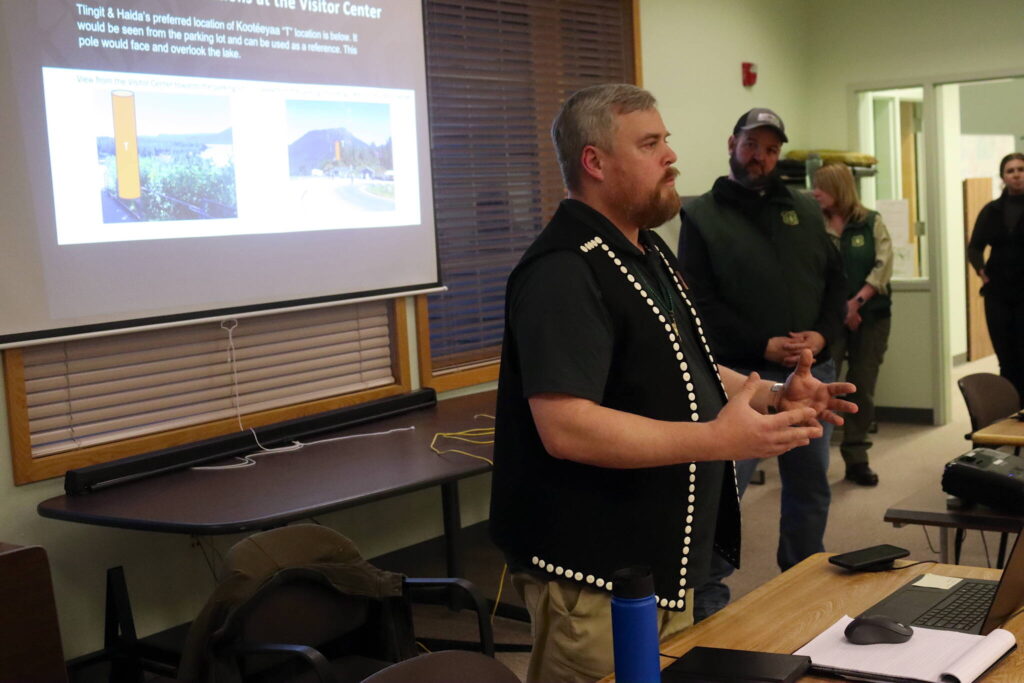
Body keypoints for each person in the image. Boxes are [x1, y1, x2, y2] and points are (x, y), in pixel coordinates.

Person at [490, 85, 856, 683]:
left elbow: (691, 362)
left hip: (663, 556)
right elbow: (565, 427)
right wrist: (715, 440)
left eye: (666, 140)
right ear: (595, 162)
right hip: (598, 572)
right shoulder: (563, 269)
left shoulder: (646, 249)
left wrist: (770, 394)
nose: (670, 156)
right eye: (650, 143)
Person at [677, 108, 846, 621]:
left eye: (771, 149)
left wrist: (822, 333)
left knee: (809, 483)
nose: (761, 158)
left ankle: (803, 576)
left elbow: (833, 283)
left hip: (809, 374)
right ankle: (707, 596)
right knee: (723, 492)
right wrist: (764, 344)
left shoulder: (804, 209)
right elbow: (697, 304)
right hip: (739, 379)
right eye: (753, 145)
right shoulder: (701, 214)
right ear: (733, 143)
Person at [812, 163, 893, 487]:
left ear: (839, 188)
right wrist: (840, 310)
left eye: (821, 187)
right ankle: (813, 462)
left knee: (861, 387)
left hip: (871, 317)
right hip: (829, 322)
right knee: (822, 386)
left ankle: (857, 459)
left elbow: (883, 266)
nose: (815, 192)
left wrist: (855, 303)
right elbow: (813, 273)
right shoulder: (814, 226)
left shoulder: (870, 222)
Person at [967, 152, 1024, 398]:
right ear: (1003, 177)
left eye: (1021, 169)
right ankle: (1011, 409)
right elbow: (975, 247)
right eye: (1010, 170)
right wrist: (981, 271)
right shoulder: (991, 210)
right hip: (998, 292)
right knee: (1006, 355)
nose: (1016, 174)